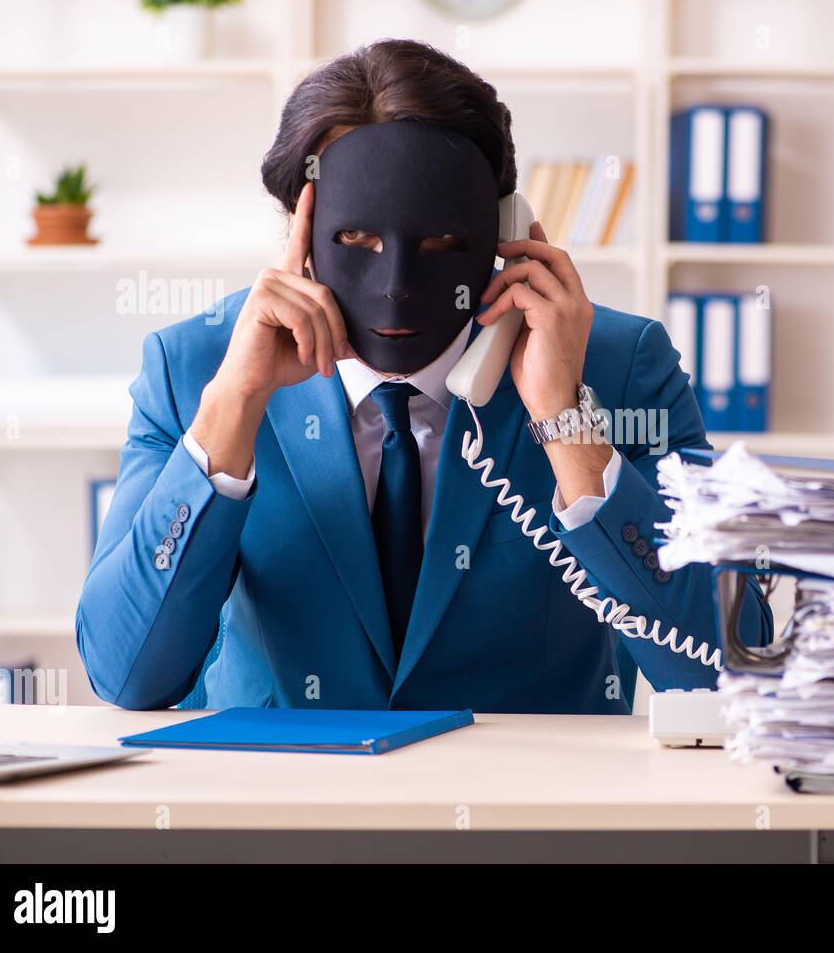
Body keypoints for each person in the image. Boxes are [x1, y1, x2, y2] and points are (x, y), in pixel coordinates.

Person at [76, 39, 771, 713]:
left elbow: (741, 665)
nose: (398, 286)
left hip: (531, 819)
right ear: (296, 229)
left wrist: (568, 424)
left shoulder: (620, 367)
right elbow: (124, 672)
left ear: (506, 230)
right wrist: (232, 407)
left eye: (440, 243)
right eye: (354, 239)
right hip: (281, 812)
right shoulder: (197, 368)